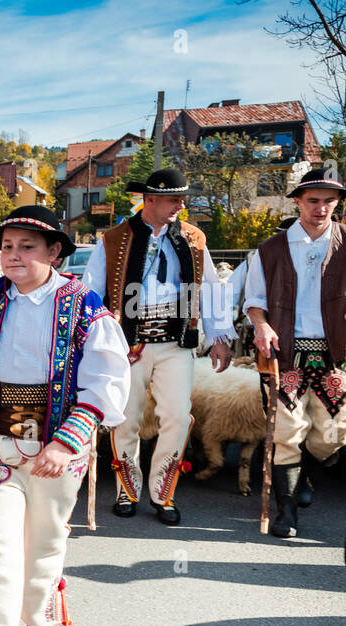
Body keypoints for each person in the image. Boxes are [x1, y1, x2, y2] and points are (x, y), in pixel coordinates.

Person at [0, 205, 130, 626]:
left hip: (57, 445)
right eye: (6, 247)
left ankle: (39, 619)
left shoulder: (85, 305)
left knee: (46, 540)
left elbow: (106, 383)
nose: (12, 256)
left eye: (26, 247)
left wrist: (66, 440)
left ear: (54, 252)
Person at [84, 168, 234, 526]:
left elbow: (211, 288)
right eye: (173, 199)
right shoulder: (115, 238)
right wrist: (90, 341)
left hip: (176, 341)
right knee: (126, 417)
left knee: (178, 417)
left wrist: (220, 338)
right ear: (149, 199)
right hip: (129, 343)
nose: (180, 205)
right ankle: (127, 488)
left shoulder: (195, 238)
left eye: (182, 198)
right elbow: (90, 291)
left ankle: (163, 492)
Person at [243, 168, 346, 538]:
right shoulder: (271, 249)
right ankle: (285, 511)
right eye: (313, 201)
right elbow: (254, 300)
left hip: (336, 353)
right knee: (287, 431)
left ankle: (304, 470)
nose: (321, 208)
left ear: (337, 204)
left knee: (334, 433)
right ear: (298, 203)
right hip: (285, 353)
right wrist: (261, 324)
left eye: (328, 202)